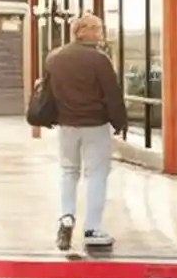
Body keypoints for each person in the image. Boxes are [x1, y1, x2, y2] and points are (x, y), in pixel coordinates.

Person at [45, 13, 127, 251]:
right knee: (96, 175)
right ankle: (92, 229)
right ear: (88, 31)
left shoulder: (55, 57)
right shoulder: (99, 60)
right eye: (98, 29)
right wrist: (120, 122)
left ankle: (66, 218)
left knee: (68, 171)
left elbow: (48, 92)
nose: (101, 34)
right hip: (95, 126)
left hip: (66, 125)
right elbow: (112, 94)